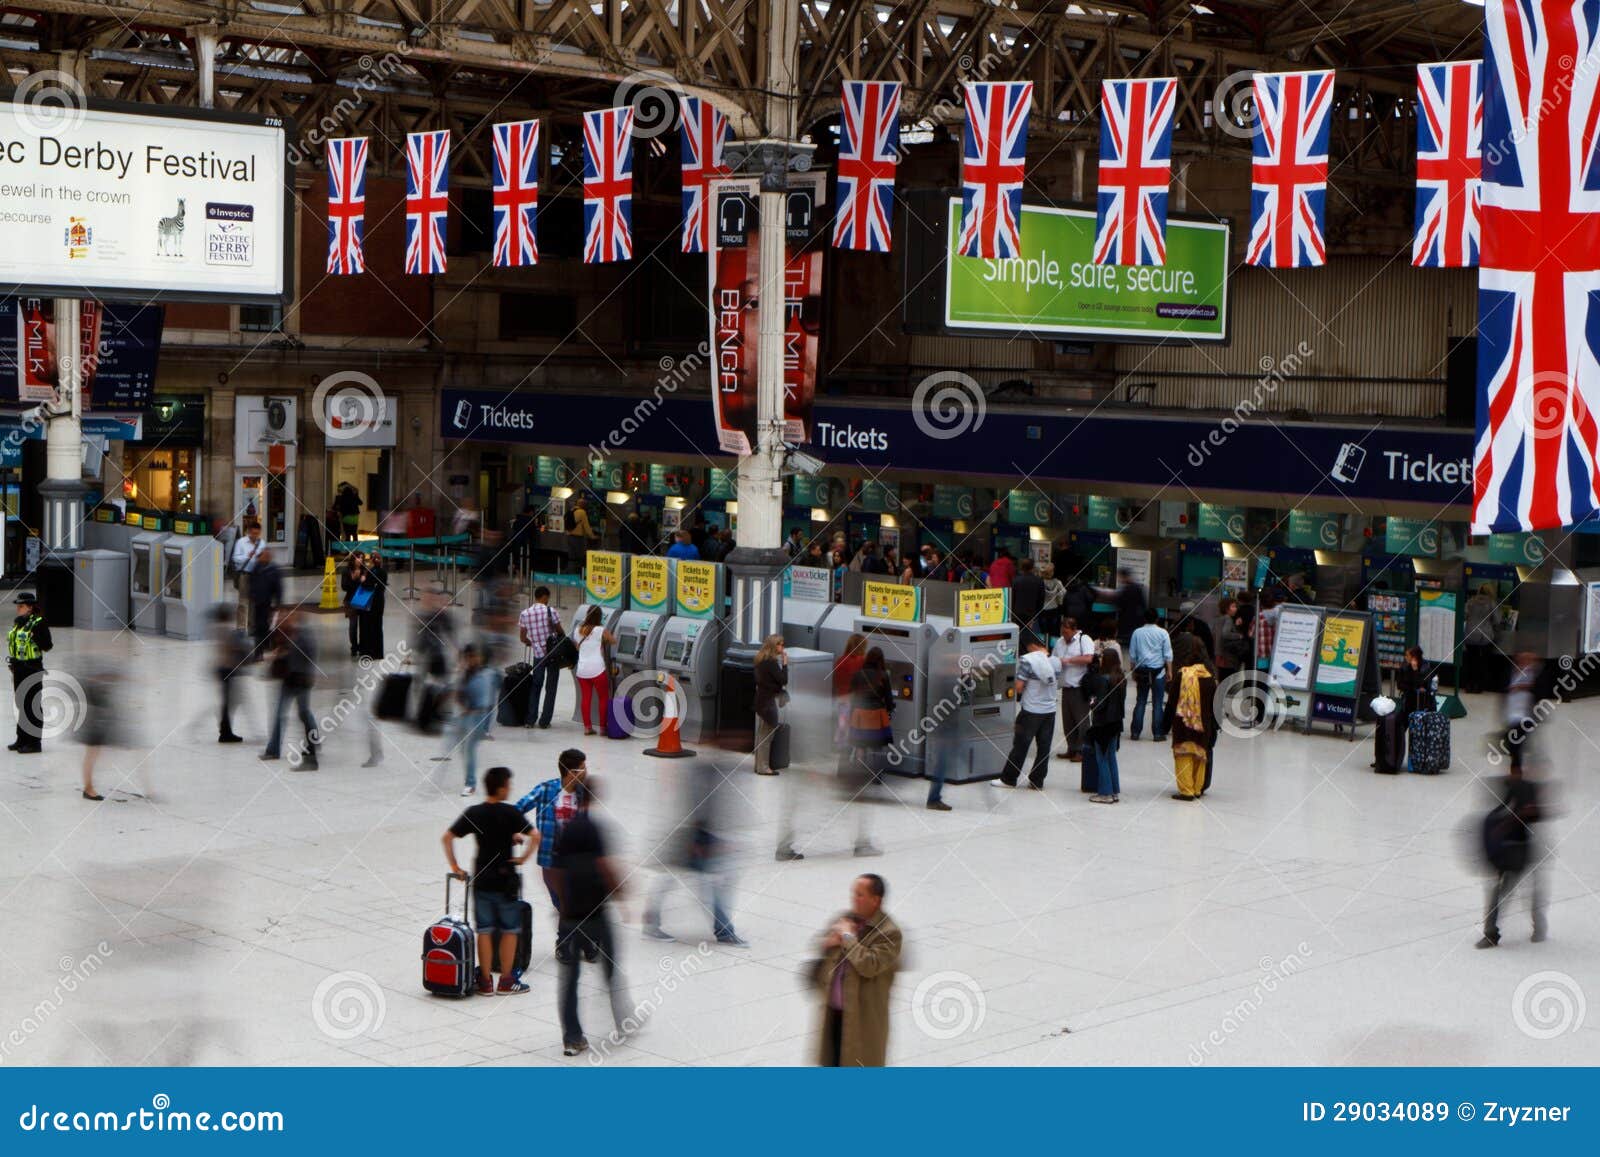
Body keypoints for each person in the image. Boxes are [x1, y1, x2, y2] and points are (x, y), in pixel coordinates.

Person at [553, 778, 630, 1055]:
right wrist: (621, 895)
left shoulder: (566, 829)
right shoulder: (596, 829)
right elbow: (604, 866)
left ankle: (572, 1038)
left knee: (569, 979)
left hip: (571, 913)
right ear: (593, 798)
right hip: (596, 911)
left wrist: (562, 905)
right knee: (610, 968)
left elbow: (557, 870)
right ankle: (624, 1021)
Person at [443, 765, 535, 996]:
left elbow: (447, 837)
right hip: (506, 882)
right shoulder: (511, 813)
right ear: (503, 788)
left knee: (483, 930)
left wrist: (455, 866)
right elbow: (535, 835)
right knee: (510, 930)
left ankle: (484, 981)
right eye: (509, 785)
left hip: (483, 878)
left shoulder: (475, 813)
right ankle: (505, 981)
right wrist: (522, 858)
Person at [642, 757, 749, 946]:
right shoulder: (705, 770)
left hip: (700, 834)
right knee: (703, 879)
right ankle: (723, 930)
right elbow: (698, 806)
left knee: (685, 876)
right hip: (695, 835)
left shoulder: (711, 768)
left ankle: (652, 919)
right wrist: (698, 838)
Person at [809, 874, 902, 1068]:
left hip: (862, 1022)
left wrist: (847, 937)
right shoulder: (845, 919)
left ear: (876, 900)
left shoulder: (889, 932)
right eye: (853, 894)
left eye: (860, 895)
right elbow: (818, 945)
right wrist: (827, 943)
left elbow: (869, 965)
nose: (854, 899)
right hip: (835, 1015)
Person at [515, 748, 589, 962]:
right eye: (583, 768)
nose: (586, 772)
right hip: (551, 859)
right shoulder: (546, 790)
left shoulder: (584, 793)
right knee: (563, 903)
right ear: (571, 772)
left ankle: (568, 942)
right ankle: (582, 939)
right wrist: (518, 830)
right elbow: (517, 809)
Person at [1478, 761, 1547, 949]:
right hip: (1509, 849)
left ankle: (1535, 926)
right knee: (1505, 890)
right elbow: (1494, 817)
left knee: (1517, 891)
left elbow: (1536, 813)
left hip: (1520, 848)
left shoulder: (1527, 789)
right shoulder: (1508, 788)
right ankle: (1492, 932)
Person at [996, 635, 1060, 790]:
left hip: (1031, 710)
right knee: (1044, 747)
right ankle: (1037, 781)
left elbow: (1018, 687)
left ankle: (1008, 779)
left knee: (1020, 745)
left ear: (1030, 646)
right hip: (1050, 710)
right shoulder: (1056, 662)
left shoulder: (1028, 661)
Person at [261, 608, 321, 770]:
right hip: (289, 679)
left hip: (301, 680)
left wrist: (310, 674)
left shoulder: (303, 635)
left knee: (304, 714)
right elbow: (287, 653)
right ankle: (273, 750)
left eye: (283, 618)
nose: (279, 620)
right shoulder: (285, 634)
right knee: (281, 714)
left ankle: (313, 744)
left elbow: (309, 655)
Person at [1163, 633, 1217, 801]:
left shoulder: (1182, 675)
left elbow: (1172, 702)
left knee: (1184, 754)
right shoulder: (1209, 678)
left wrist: (1164, 725)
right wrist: (1215, 727)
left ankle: (1186, 790)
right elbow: (1215, 706)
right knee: (1199, 755)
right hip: (1204, 724)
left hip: (1183, 723)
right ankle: (1197, 788)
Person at [7, 592, 52, 755]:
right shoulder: (19, 623)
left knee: (31, 705)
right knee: (20, 704)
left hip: (32, 669)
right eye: (18, 606)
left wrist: (36, 637)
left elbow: (48, 645)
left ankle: (34, 743)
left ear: (30, 608)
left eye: (21, 606)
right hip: (18, 668)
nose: (18, 609)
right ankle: (22, 739)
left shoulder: (39, 623)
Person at [454, 642, 500, 796]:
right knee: (465, 749)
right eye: (468, 658)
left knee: (469, 750)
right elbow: (459, 697)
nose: (472, 660)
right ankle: (470, 781)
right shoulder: (466, 675)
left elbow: (489, 699)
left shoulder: (487, 674)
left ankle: (470, 784)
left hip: (477, 717)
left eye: (474, 657)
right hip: (467, 716)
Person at [517, 585, 563, 729]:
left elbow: (522, 637)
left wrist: (533, 643)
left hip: (538, 655)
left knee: (536, 686)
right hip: (553, 655)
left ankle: (530, 720)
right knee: (551, 687)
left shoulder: (525, 613)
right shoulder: (551, 611)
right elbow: (560, 631)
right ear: (545, 596)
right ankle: (544, 722)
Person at [1086, 649, 1127, 804]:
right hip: (1116, 723)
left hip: (1102, 724)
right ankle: (1114, 790)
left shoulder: (1103, 680)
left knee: (1101, 757)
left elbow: (1099, 704)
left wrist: (1092, 702)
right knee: (1111, 757)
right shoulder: (1121, 678)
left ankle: (1105, 793)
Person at [1052, 618, 1096, 762]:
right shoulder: (1059, 642)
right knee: (1068, 721)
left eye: (1066, 632)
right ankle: (1071, 748)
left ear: (1074, 629)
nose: (1064, 635)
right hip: (1066, 686)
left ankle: (1082, 750)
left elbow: (1089, 658)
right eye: (1062, 632)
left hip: (1079, 687)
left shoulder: (1084, 639)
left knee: (1081, 721)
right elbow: (1054, 658)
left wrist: (1069, 660)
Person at [1127, 610, 1173, 740]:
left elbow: (1132, 654)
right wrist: (1169, 670)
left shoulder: (1137, 632)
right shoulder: (1163, 633)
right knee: (1157, 703)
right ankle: (1158, 733)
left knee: (1141, 701)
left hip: (1142, 671)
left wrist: (1133, 670)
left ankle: (1135, 732)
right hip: (1158, 671)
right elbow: (1168, 654)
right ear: (1157, 619)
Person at [573, 605, 616, 737]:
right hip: (597, 669)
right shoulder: (600, 630)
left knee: (586, 698)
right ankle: (603, 728)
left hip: (582, 669)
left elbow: (577, 647)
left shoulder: (578, 630)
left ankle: (587, 728)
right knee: (603, 698)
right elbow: (613, 641)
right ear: (599, 617)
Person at [211, 604, 248, 745]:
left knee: (227, 701)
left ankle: (224, 729)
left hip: (220, 668)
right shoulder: (228, 630)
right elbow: (238, 647)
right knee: (229, 701)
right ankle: (225, 732)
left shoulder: (215, 628)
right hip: (228, 668)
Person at [753, 634, 788, 776]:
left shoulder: (761, 660)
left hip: (761, 700)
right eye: (781, 644)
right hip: (768, 703)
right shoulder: (771, 663)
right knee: (766, 736)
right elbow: (783, 680)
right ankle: (763, 767)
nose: (783, 647)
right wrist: (785, 663)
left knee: (761, 734)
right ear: (775, 646)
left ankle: (758, 765)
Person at [1462, 584, 1499, 694]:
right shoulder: (1492, 603)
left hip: (1470, 634)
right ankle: (1479, 686)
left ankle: (1469, 685)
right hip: (1485, 636)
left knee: (1470, 661)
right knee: (1481, 662)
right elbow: (1497, 620)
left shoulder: (1470, 602)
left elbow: (1464, 615)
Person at [247, 547, 282, 660]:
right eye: (263, 555)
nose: (265, 557)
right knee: (259, 627)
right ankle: (260, 651)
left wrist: (278, 603)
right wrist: (251, 595)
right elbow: (251, 582)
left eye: (267, 555)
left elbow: (278, 588)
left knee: (263, 627)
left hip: (268, 603)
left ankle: (262, 649)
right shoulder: (256, 567)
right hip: (257, 603)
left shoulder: (274, 570)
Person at [1100, 568, 1147, 649]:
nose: (1119, 579)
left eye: (1120, 577)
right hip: (1136, 618)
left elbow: (1118, 603)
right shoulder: (1137, 587)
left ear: (1124, 577)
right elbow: (1143, 604)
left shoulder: (1124, 589)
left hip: (1126, 618)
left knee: (1127, 637)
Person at [230, 522, 264, 629]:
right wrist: (247, 557)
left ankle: (252, 626)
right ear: (249, 532)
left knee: (254, 602)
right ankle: (240, 627)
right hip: (244, 575)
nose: (255, 536)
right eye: (253, 533)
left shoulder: (261, 543)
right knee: (243, 602)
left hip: (257, 576)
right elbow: (235, 558)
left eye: (257, 534)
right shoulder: (241, 542)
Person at [1010, 557, 1045, 632]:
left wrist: (1013, 613)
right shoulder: (1039, 581)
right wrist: (1036, 615)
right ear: (1032, 567)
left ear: (1022, 567)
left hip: (1018, 614)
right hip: (1032, 614)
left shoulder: (1016, 580)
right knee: (1030, 636)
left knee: (1018, 635)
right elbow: (1041, 600)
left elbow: (1012, 598)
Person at [1037, 563, 1066, 640]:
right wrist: (1059, 601)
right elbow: (1063, 593)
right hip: (1054, 609)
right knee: (1053, 631)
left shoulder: (1039, 582)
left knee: (1043, 631)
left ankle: (1044, 646)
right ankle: (1052, 647)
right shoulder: (1057, 582)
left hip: (1042, 610)